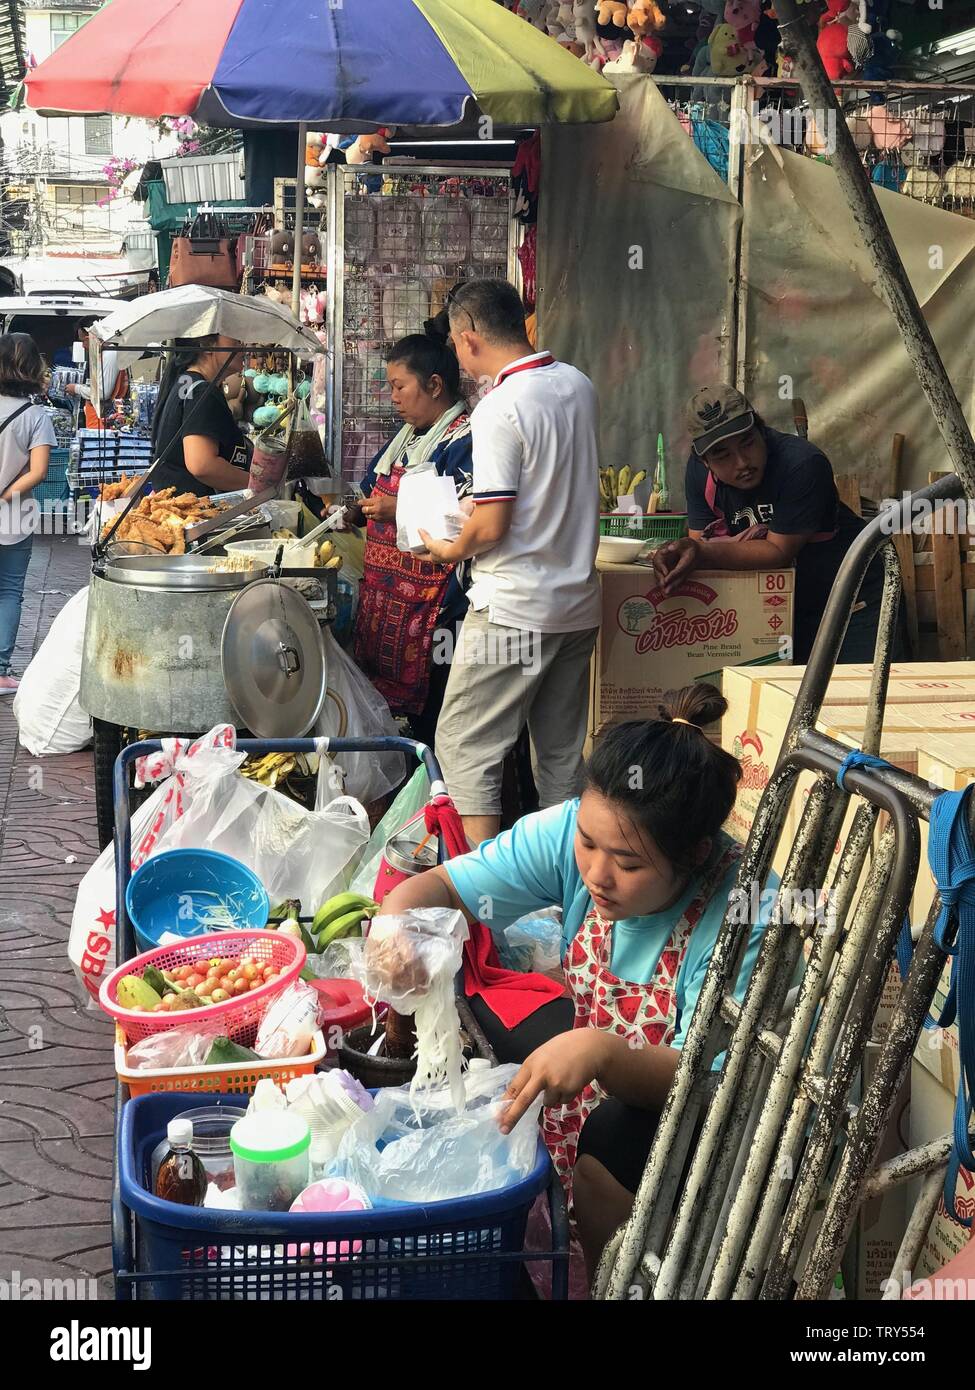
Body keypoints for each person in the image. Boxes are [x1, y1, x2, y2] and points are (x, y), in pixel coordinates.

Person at [382, 683, 771, 1280]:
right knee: (489, 1029)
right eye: (588, 845)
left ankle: (620, 1282)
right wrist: (395, 928)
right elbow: (444, 889)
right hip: (604, 1070)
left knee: (610, 1141)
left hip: (714, 1121)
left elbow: (715, 1081)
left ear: (694, 855)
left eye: (629, 864)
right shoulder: (583, 827)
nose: (596, 872)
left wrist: (604, 1054)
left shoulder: (747, 911)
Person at [419, 278, 601, 848]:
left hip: (513, 608)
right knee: (560, 756)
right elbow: (543, 488)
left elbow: (492, 528)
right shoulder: (578, 384)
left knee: (467, 744)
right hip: (576, 605)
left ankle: (480, 895)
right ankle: (564, 889)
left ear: (468, 338)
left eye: (453, 342)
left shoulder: (500, 406)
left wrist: (449, 547)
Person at [652, 384, 897, 665]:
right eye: (722, 455)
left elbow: (777, 551)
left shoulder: (802, 463)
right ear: (704, 461)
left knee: (859, 696)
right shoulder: (699, 475)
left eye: (747, 442)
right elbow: (700, 541)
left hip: (854, 598)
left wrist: (700, 552)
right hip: (784, 606)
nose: (742, 462)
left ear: (762, 429)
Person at [347, 329, 472, 746]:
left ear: (434, 385)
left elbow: (464, 518)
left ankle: (437, 796)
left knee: (439, 721)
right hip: (387, 613)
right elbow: (371, 493)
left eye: (400, 386)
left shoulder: (465, 441)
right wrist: (355, 512)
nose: (393, 397)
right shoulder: (406, 439)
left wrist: (395, 509)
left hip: (436, 614)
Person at [0, 335, 56, 695]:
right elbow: (38, 472)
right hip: (14, 517)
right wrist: (6, 495)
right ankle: (1, 670)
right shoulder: (36, 416)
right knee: (9, 591)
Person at [150, 335, 251, 497]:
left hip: (177, 504)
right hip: (195, 510)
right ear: (208, 345)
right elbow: (202, 465)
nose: (243, 346)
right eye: (236, 339)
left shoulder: (186, 380)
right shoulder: (201, 391)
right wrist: (256, 483)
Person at [64, 324, 129, 429]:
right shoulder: (102, 354)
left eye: (84, 340)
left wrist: (77, 388)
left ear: (92, 336)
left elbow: (102, 393)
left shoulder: (109, 354)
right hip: (98, 424)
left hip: (105, 426)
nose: (83, 346)